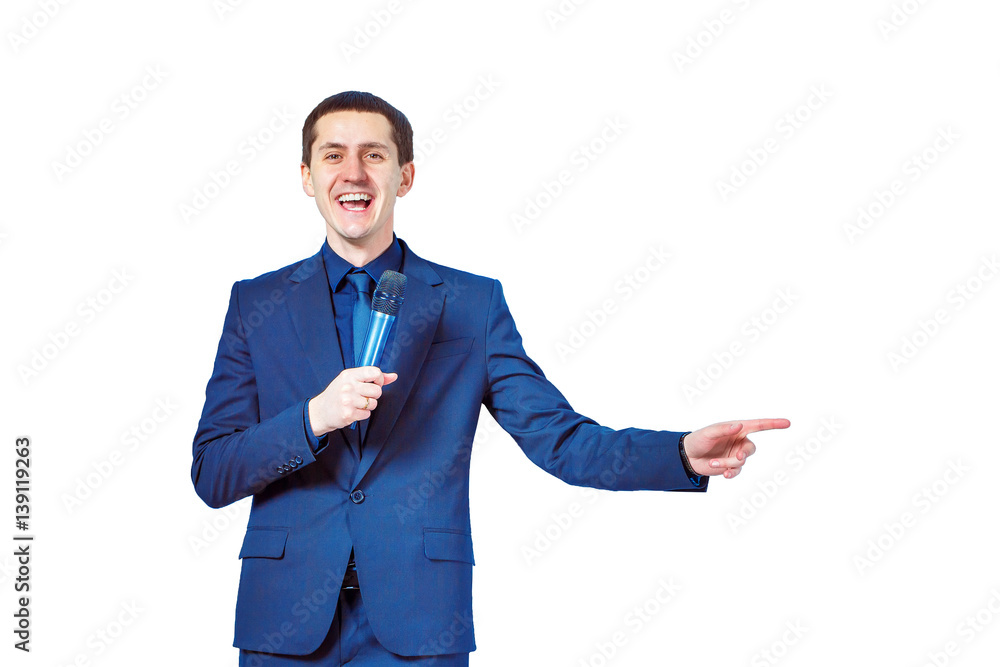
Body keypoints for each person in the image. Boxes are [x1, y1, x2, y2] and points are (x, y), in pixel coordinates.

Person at [191, 91, 790, 666]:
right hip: (283, 623)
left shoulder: (471, 304)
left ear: (405, 176)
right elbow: (213, 471)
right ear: (306, 176)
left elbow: (561, 440)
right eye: (333, 155)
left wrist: (680, 454)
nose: (354, 172)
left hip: (418, 624)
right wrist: (312, 419)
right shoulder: (255, 304)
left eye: (374, 154)